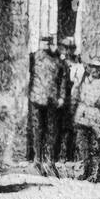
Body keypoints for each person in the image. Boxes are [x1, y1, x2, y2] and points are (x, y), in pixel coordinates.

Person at [28, 35, 66, 173]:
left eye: (47, 43)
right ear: (39, 43)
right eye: (43, 42)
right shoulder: (32, 57)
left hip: (52, 100)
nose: (45, 45)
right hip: (37, 99)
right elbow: (28, 76)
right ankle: (37, 160)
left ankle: (49, 161)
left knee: (51, 131)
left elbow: (62, 79)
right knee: (37, 130)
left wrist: (61, 97)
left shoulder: (57, 60)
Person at [55, 37, 84, 162]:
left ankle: (69, 156)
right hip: (62, 98)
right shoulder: (60, 62)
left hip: (73, 98)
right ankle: (56, 156)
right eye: (65, 48)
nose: (68, 51)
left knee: (71, 128)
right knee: (58, 128)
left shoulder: (78, 64)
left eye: (70, 48)